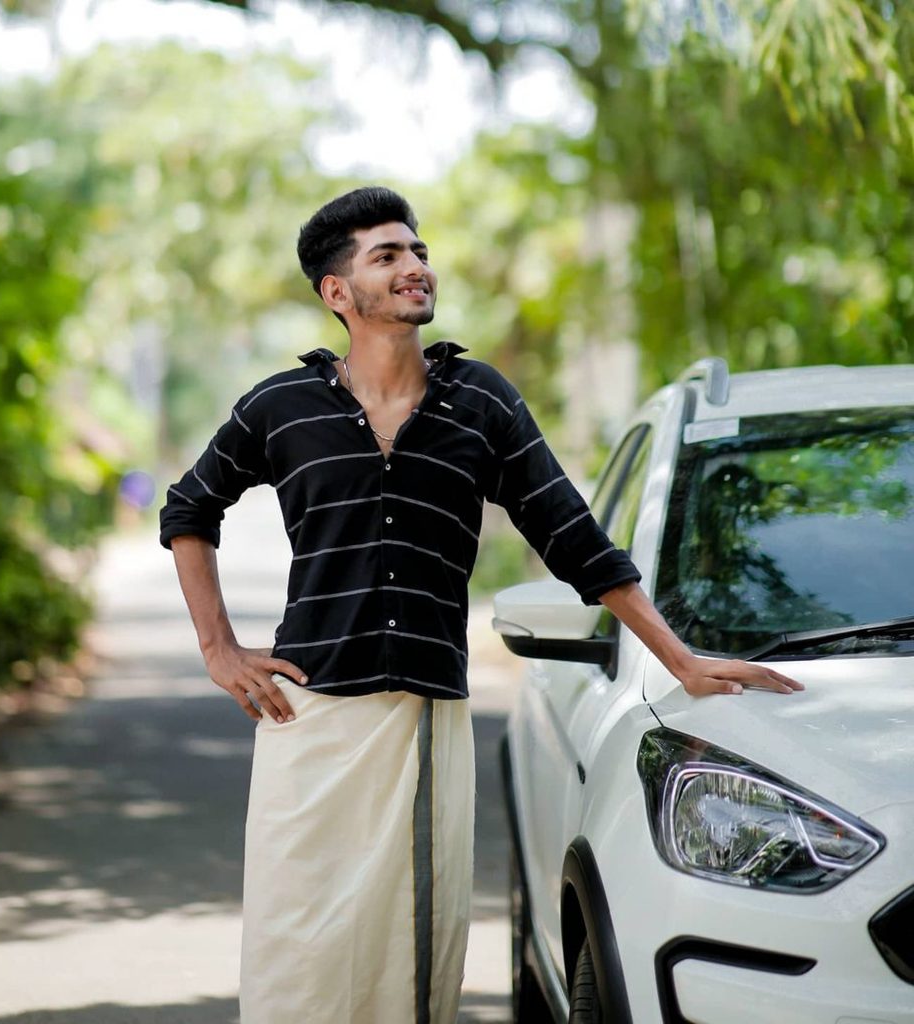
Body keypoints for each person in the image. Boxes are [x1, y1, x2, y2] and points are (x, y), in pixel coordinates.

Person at [159, 186, 802, 1023]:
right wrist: (219, 649)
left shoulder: (482, 402)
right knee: (296, 950)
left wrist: (678, 658)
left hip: (421, 722)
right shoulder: (280, 407)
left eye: (418, 250)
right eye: (388, 255)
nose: (415, 266)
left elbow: (574, 538)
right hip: (305, 721)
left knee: (409, 960)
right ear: (337, 291)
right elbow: (189, 508)